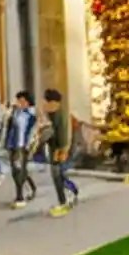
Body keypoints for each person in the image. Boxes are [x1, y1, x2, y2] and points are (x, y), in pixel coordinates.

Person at [40, 88, 76, 217]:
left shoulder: (61, 115)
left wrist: (61, 151)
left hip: (60, 150)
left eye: (46, 102)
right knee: (58, 175)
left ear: (54, 103)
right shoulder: (51, 115)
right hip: (54, 149)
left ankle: (64, 201)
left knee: (58, 175)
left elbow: (63, 135)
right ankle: (69, 195)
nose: (44, 104)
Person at [3, 91, 37, 209]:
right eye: (18, 101)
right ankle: (32, 187)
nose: (19, 103)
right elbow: (7, 125)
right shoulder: (15, 113)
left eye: (22, 101)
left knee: (19, 170)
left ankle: (19, 196)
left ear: (28, 102)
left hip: (23, 146)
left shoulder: (31, 115)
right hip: (13, 145)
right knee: (16, 171)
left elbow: (33, 132)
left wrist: (30, 146)